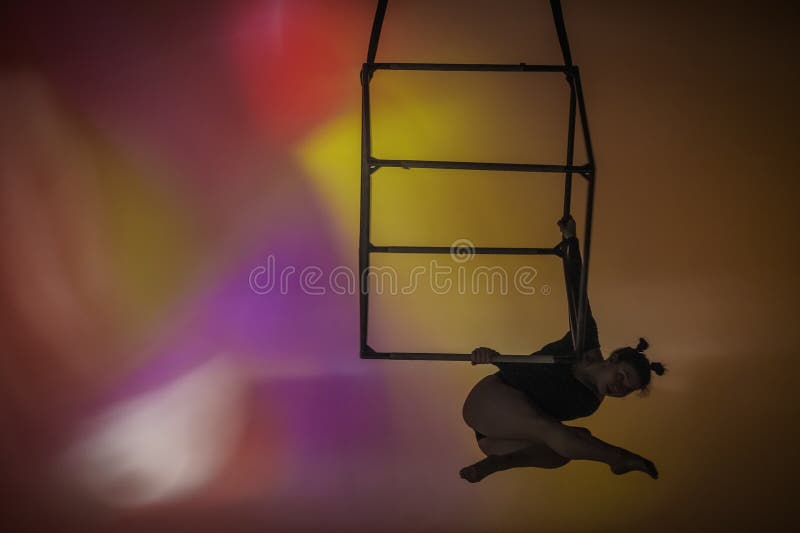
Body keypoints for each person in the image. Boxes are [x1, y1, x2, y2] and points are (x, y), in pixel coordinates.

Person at [460, 215, 666, 483]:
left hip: (499, 439)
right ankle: (618, 459)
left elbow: (544, 406)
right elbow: (576, 290)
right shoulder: (584, 342)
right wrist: (570, 240)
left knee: (566, 449)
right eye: (622, 376)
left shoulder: (588, 403)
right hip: (489, 401)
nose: (619, 388)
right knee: (554, 433)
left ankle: (499, 463)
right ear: (613, 359)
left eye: (626, 389)